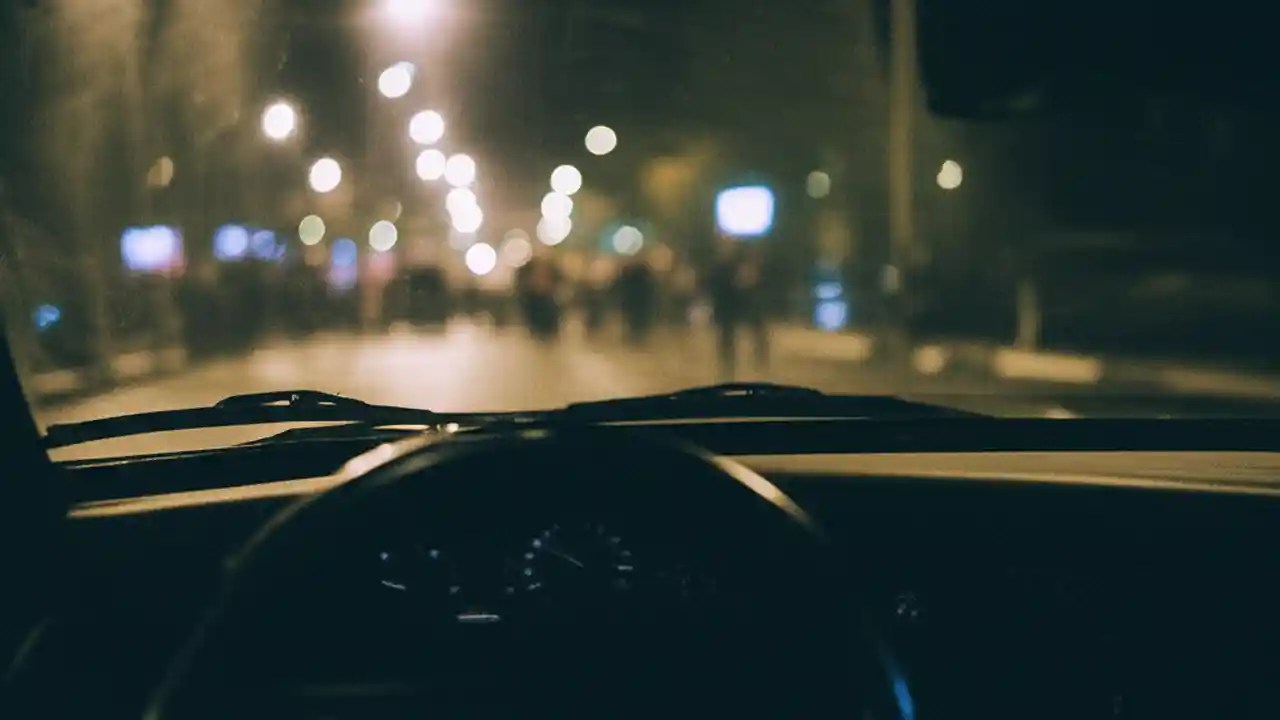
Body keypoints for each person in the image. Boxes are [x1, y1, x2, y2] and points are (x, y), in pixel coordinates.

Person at [614, 255, 657, 346]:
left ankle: (634, 336)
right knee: (639, 320)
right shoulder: (646, 279)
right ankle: (638, 337)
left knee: (633, 320)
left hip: (632, 302)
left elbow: (621, 289)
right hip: (641, 303)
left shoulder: (628, 277)